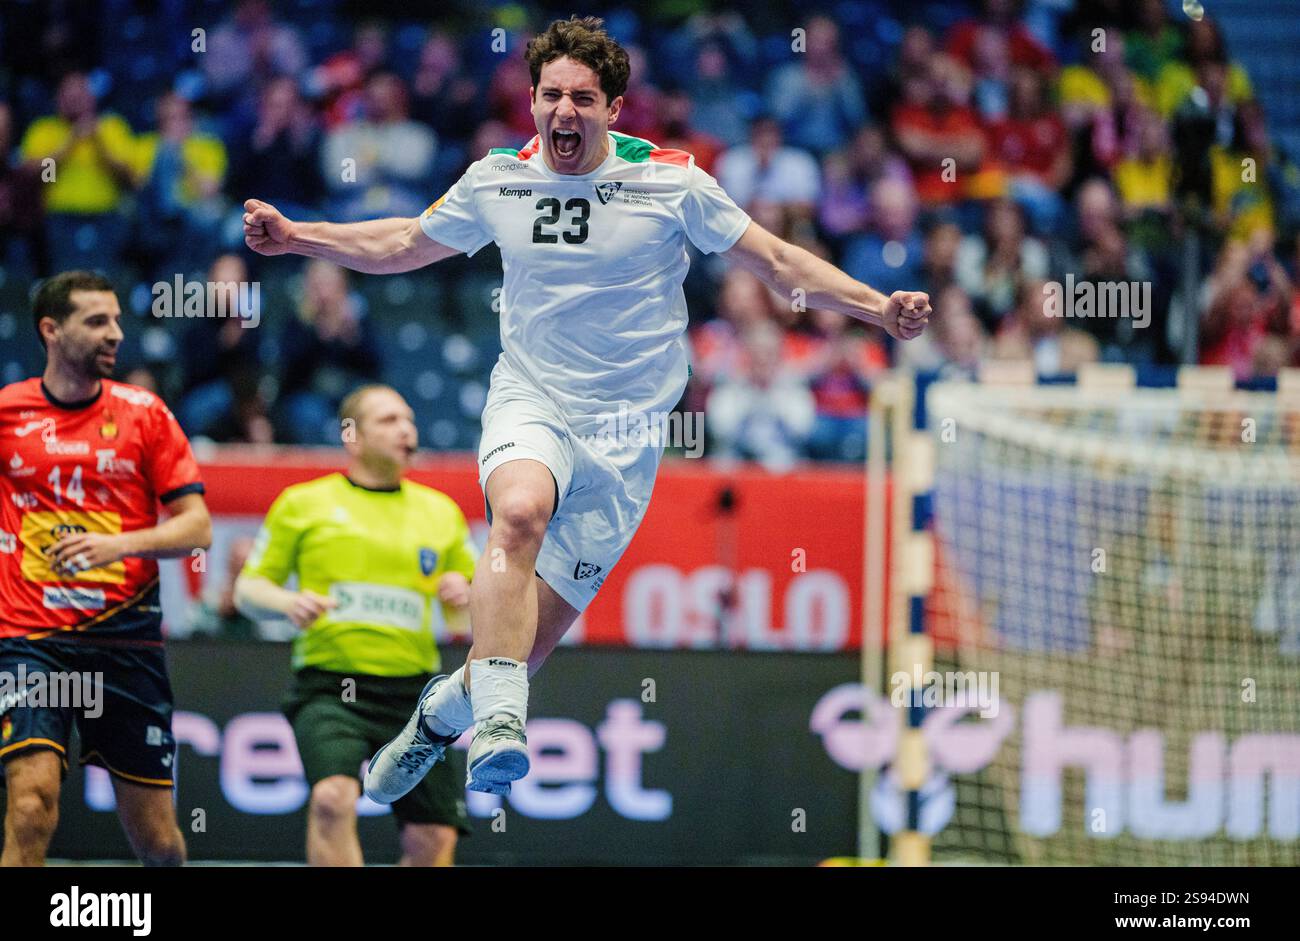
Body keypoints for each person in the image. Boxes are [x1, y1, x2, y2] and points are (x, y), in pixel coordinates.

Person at [242, 15, 930, 801]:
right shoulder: (496, 179)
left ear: (614, 107)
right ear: (531, 100)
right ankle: (501, 727)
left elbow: (775, 261)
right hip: (533, 396)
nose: (563, 111)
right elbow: (402, 242)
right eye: (549, 95)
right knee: (519, 513)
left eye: (582, 98)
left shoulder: (674, 182)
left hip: (627, 437)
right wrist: (297, 237)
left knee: (519, 648)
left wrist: (877, 308)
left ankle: (437, 719)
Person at [0, 271, 212, 866]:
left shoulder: (146, 414)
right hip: (32, 639)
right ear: (51, 330)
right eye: (97, 322)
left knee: (158, 842)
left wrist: (116, 545)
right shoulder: (8, 413)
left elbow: (196, 528)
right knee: (30, 805)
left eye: (117, 319)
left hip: (125, 641)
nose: (115, 334)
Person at [233, 384, 475, 866]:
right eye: (388, 420)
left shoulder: (441, 513)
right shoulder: (303, 503)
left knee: (432, 838)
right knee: (333, 797)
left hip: (414, 697)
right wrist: (286, 601)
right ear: (352, 435)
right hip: (328, 689)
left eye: (409, 419)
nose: (406, 429)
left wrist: (464, 593)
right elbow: (247, 592)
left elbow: (464, 621)